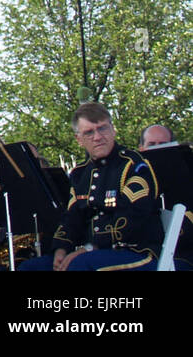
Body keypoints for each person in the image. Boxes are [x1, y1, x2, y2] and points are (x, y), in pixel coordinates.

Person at [19, 102, 163, 271]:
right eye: (89, 132)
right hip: (92, 253)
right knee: (31, 268)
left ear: (113, 129)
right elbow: (72, 217)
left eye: (102, 128)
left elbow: (133, 220)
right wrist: (61, 248)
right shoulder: (80, 173)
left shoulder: (134, 165)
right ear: (78, 139)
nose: (97, 137)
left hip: (136, 252)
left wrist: (87, 249)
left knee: (79, 265)